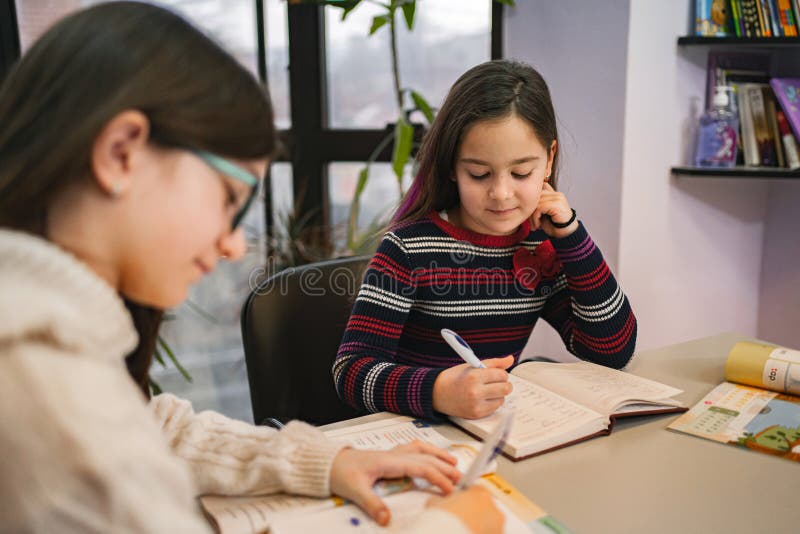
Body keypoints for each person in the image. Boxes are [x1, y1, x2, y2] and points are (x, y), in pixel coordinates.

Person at [0, 3, 502, 533]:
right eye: (229, 198)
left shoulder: (54, 339)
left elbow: (149, 424)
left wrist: (323, 460)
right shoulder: (38, 384)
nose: (235, 244)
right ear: (122, 152)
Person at [333, 59, 637, 421]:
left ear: (549, 158)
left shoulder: (539, 245)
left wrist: (573, 238)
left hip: (495, 439)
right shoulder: (408, 250)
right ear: (451, 166)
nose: (502, 194)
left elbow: (613, 350)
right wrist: (439, 391)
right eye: (479, 174)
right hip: (416, 441)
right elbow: (351, 371)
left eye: (521, 172)